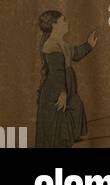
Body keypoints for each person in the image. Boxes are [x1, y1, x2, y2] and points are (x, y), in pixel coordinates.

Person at [35, 9, 98, 147]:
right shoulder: (51, 45)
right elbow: (56, 72)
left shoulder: (61, 42)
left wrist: (89, 45)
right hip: (55, 87)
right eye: (64, 20)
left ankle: (67, 139)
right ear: (54, 25)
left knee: (76, 106)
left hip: (67, 86)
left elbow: (75, 53)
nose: (67, 23)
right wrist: (62, 93)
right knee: (57, 118)